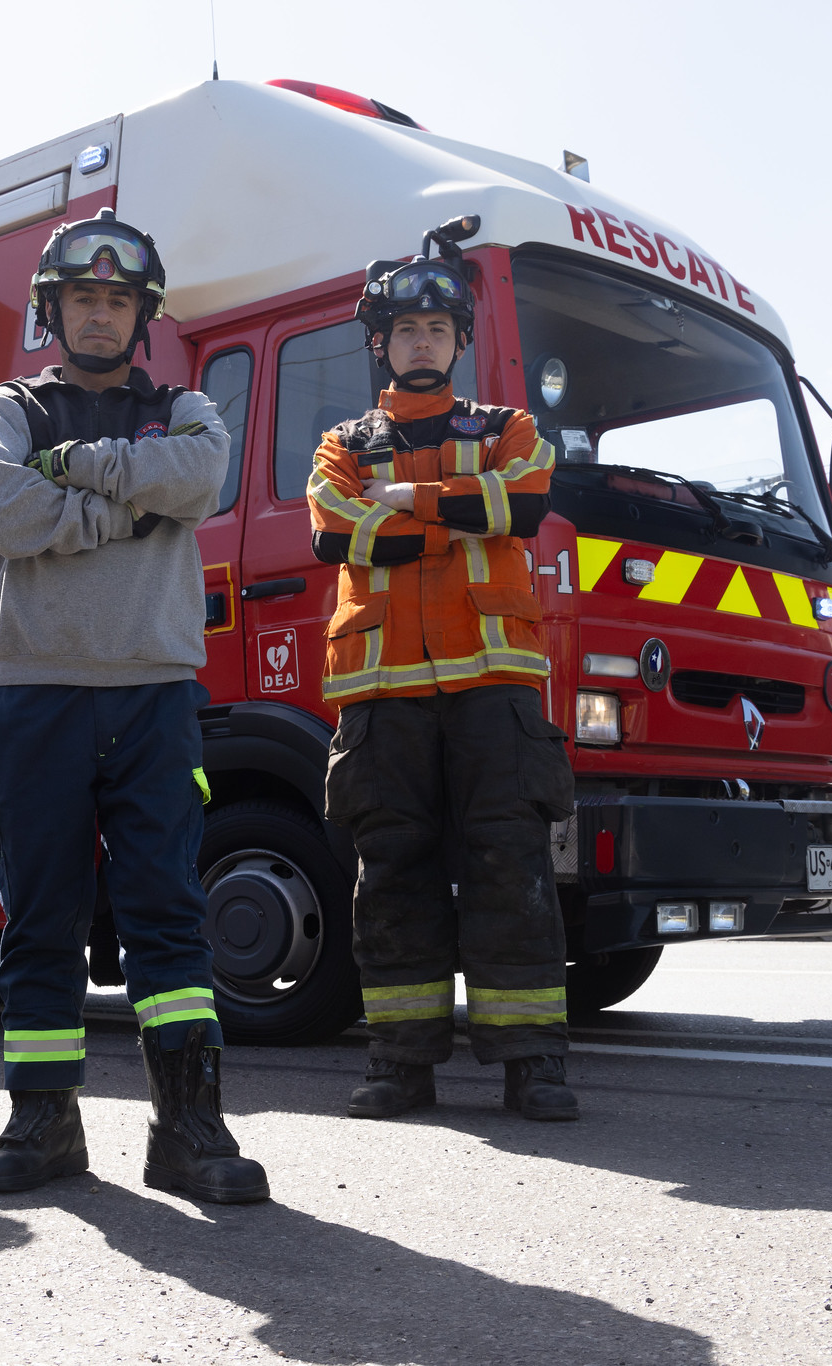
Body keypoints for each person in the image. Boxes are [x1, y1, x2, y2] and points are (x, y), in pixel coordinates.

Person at [0, 210, 268, 1203]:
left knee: (168, 915)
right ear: (53, 309)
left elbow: (202, 478)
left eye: (118, 300)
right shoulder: (7, 405)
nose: (100, 314)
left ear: (141, 316)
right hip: (38, 689)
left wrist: (76, 477)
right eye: (83, 298)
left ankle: (189, 1128)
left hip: (152, 691)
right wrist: (130, 505)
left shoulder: (184, 406)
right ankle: (42, 1122)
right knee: (39, 914)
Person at [308, 224, 580, 1122]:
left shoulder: (512, 430)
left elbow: (527, 504)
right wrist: (463, 515)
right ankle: (400, 1064)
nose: (422, 342)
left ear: (461, 343)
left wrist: (409, 502)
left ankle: (532, 1063)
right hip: (381, 693)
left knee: (512, 867)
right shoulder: (340, 443)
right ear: (380, 344)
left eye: (438, 329)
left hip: (491, 685)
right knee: (392, 873)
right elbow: (334, 531)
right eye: (404, 330)